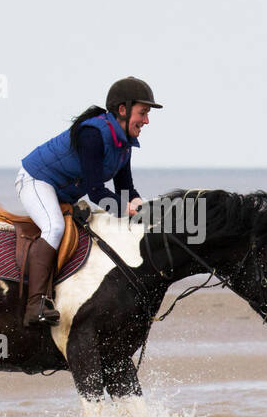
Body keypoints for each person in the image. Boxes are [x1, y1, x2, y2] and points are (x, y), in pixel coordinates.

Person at [16, 76, 162, 326]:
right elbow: (96, 193)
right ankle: (35, 305)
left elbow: (125, 188)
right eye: (143, 113)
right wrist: (124, 207)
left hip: (61, 192)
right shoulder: (93, 134)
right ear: (123, 110)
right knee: (54, 228)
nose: (147, 121)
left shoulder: (123, 144)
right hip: (36, 180)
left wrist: (145, 209)